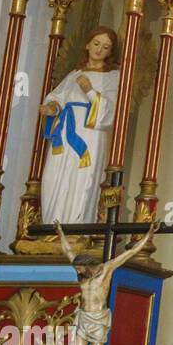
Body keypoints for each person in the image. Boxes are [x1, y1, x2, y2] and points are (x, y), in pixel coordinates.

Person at [56, 218, 158, 345]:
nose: (77, 273)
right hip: (84, 318)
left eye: (79, 269)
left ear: (87, 266)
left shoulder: (106, 270)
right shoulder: (81, 272)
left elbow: (131, 252)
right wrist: (60, 232)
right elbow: (68, 250)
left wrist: (149, 234)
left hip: (99, 320)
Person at [39, 26, 120, 225]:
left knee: (82, 180)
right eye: (96, 44)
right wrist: (52, 107)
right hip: (65, 133)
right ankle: (51, 226)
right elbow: (58, 97)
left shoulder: (112, 77)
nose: (99, 50)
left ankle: (76, 228)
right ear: (87, 45)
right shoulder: (74, 74)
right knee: (53, 177)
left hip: (90, 136)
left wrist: (90, 91)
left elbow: (113, 110)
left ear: (110, 52)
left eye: (106, 47)